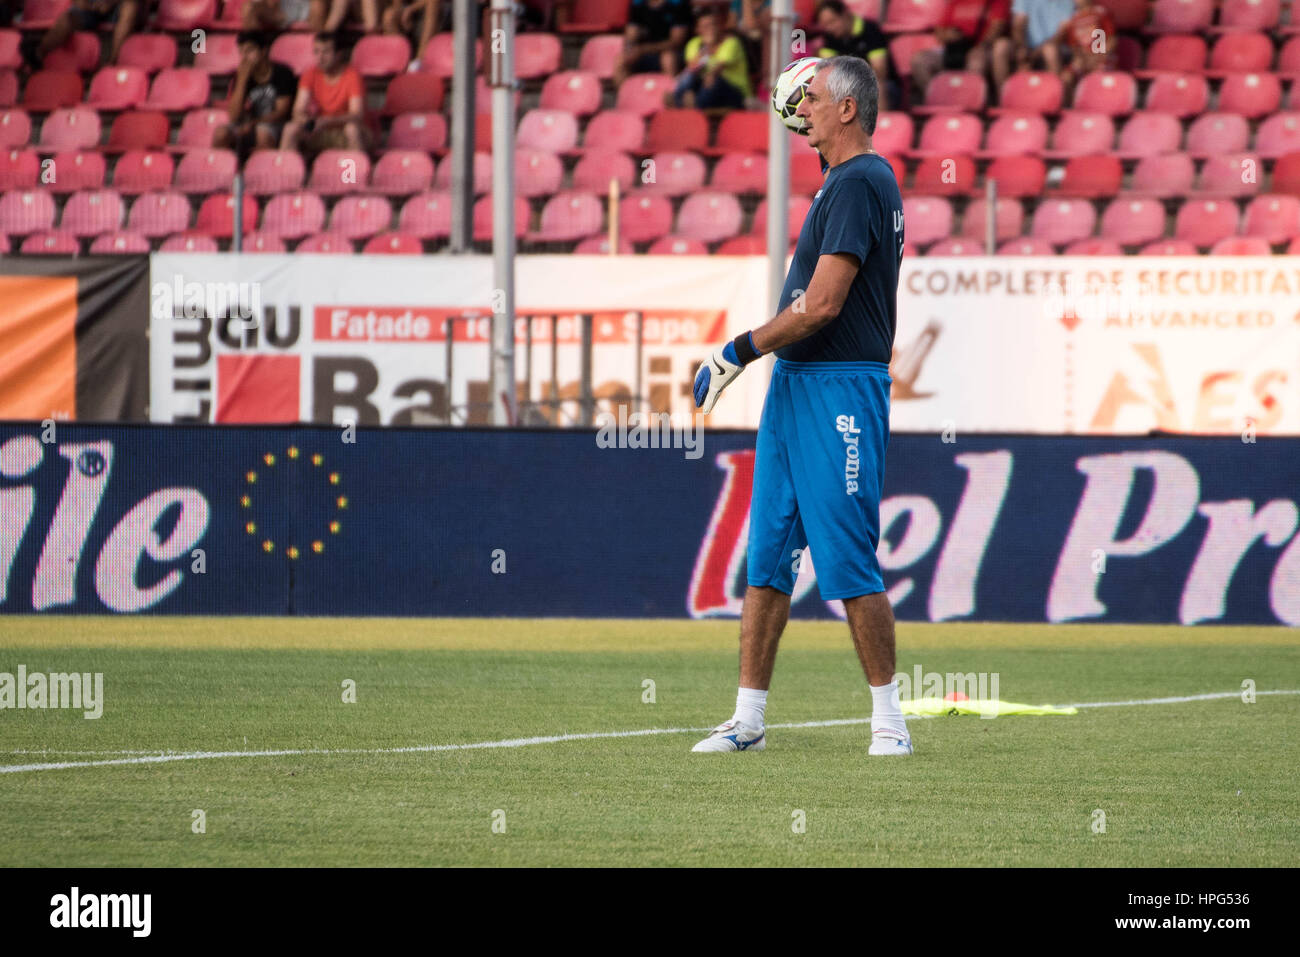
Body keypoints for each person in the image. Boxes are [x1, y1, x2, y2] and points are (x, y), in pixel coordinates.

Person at [690, 56, 909, 757]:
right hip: (799, 386)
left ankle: (889, 724)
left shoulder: (859, 180)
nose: (801, 109)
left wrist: (736, 350)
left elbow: (820, 306)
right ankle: (748, 719)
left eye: (812, 98)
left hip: (841, 387)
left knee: (848, 558)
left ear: (848, 108)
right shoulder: (842, 184)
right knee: (768, 554)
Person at [280, 33, 368, 154]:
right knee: (290, 129)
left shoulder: (353, 76)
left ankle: (356, 171)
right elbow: (298, 110)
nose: (320, 58)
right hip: (320, 129)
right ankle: (285, 171)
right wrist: (308, 122)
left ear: (338, 55)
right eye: (316, 52)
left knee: (351, 129)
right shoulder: (310, 73)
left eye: (326, 52)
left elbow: (357, 115)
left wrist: (328, 120)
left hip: (346, 130)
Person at [215, 31, 297, 156]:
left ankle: (259, 172)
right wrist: (242, 80)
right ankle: (223, 172)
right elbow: (233, 116)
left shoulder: (282, 73)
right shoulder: (242, 75)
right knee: (221, 134)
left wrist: (254, 123)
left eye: (249, 51)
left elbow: (281, 111)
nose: (245, 57)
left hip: (277, 125)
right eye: (241, 52)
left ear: (263, 51)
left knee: (262, 133)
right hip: (252, 124)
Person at [910, 0, 1010, 99]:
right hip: (953, 48)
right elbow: (939, 30)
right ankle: (939, 100)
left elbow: (997, 27)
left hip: (980, 47)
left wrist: (981, 47)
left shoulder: (997, 2)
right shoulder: (955, 2)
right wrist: (948, 35)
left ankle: (969, 103)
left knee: (976, 62)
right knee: (919, 60)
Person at [815, 0, 896, 111]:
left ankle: (880, 126)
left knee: (878, 85)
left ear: (845, 15)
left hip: (884, 87)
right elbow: (824, 70)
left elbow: (879, 71)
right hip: (847, 87)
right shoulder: (830, 37)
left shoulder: (871, 30)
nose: (829, 28)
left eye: (832, 21)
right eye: (826, 25)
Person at [21, 0, 141, 69]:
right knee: (67, 18)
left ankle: (114, 61)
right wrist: (92, 6)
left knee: (130, 7)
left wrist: (109, 3)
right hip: (92, 9)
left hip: (120, 5)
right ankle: (38, 54)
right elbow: (78, 2)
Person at [673, 9, 752, 109]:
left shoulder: (731, 42)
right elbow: (692, 69)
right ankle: (678, 102)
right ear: (698, 29)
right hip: (705, 88)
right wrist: (705, 48)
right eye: (705, 26)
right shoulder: (694, 43)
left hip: (735, 92)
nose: (711, 29)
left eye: (713, 24)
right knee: (689, 78)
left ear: (719, 26)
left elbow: (717, 69)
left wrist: (709, 47)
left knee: (713, 79)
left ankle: (694, 108)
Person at [615, 0, 692, 85]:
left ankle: (670, 95)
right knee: (621, 60)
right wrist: (630, 48)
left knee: (668, 58)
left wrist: (643, 49)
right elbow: (631, 34)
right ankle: (625, 96)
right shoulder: (637, 3)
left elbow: (676, 42)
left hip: (672, 51)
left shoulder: (678, 3)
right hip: (643, 52)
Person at [999, 0, 1073, 87]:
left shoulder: (1067, 2)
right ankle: (1004, 95)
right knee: (1001, 47)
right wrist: (1022, 49)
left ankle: (1054, 95)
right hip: (1025, 45)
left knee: (1049, 50)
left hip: (1054, 46)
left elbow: (1060, 36)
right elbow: (1018, 25)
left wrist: (1033, 55)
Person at [1054, 0, 1116, 89]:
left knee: (1097, 74)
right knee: (1065, 78)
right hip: (1083, 59)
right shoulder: (1073, 19)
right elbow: (1074, 48)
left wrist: (1098, 57)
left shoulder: (1100, 13)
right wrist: (1081, 59)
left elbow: (1112, 40)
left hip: (1102, 58)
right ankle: (1072, 102)